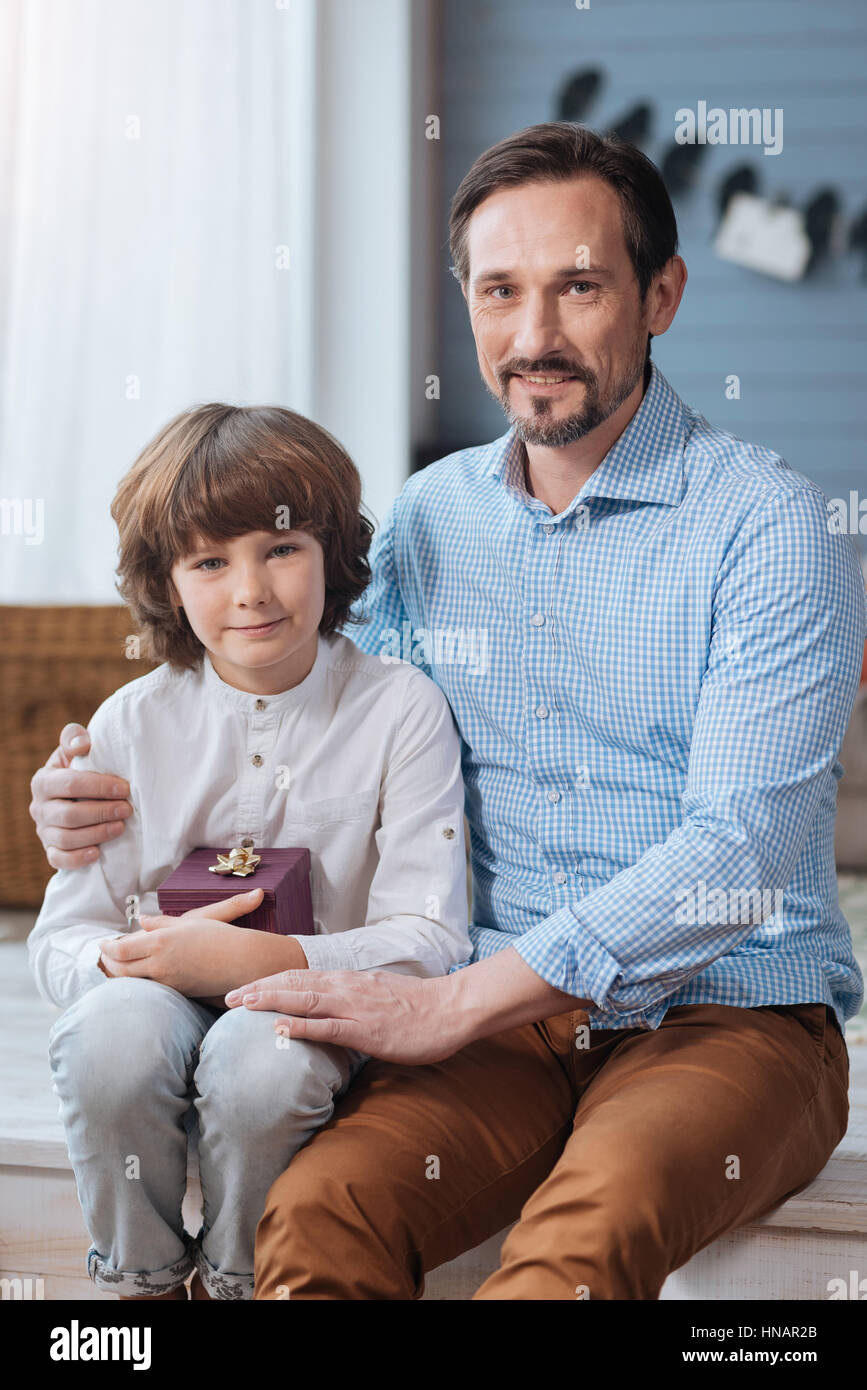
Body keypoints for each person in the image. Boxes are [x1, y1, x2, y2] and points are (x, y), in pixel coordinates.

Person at [31, 124, 867, 1301]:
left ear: (660, 293)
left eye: (579, 286)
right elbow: (313, 728)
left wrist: (456, 998)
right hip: (492, 1035)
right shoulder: (430, 520)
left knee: (586, 1231)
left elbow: (743, 847)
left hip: (728, 1017)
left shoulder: (773, 530)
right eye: (499, 292)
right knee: (315, 1219)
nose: (534, 337)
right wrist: (83, 797)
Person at [27, 403, 471, 1301]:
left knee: (261, 1065)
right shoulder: (129, 722)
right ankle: (143, 1285)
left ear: (334, 552)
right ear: (168, 582)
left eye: (281, 549)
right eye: (209, 561)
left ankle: (240, 1283)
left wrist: (270, 960)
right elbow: (59, 940)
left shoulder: (400, 709)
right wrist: (123, 958)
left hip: (314, 1010)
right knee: (111, 1038)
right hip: (155, 1000)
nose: (251, 592)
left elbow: (432, 936)